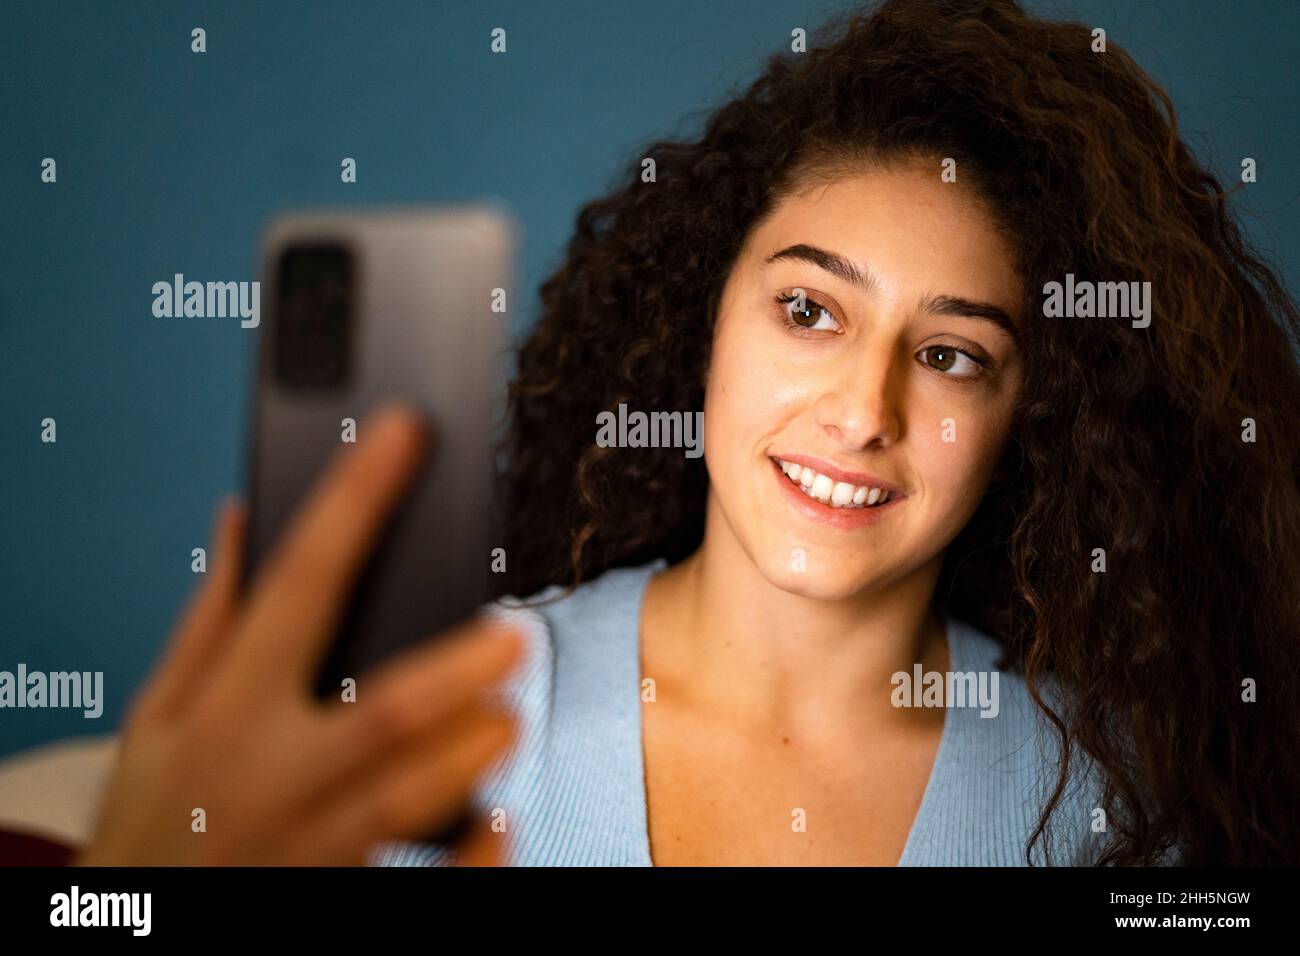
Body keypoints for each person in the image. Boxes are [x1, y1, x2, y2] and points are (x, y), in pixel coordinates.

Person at [79, 0, 1300, 867]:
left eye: (948, 355)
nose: (862, 412)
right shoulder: (442, 717)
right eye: (809, 309)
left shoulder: (1121, 798)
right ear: (702, 321)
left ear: (1028, 416)